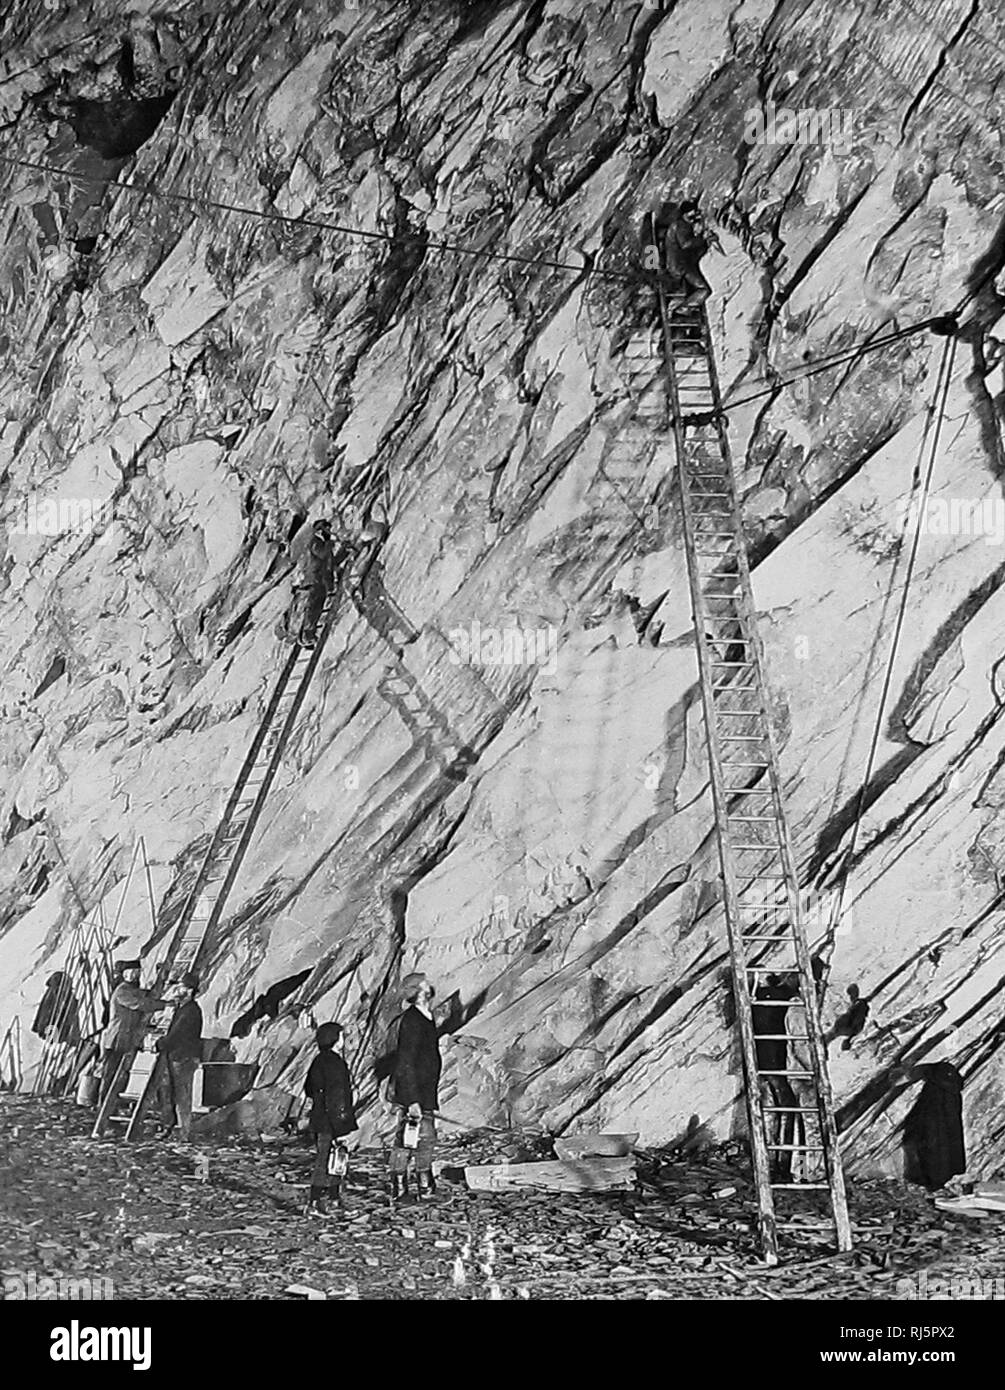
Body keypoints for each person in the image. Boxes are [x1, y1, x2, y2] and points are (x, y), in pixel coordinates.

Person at [387, 973, 442, 1201]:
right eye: (425, 983)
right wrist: (412, 1100)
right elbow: (405, 1061)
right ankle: (400, 1189)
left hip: (424, 1091)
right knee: (406, 1140)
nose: (430, 985)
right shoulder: (412, 1020)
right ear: (419, 992)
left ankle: (424, 1187)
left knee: (425, 1139)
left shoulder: (425, 1017)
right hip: (415, 1093)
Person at [303, 1022, 357, 1218]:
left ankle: (329, 1200)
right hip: (333, 1120)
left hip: (321, 1118)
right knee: (332, 1160)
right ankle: (318, 1203)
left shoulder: (318, 1060)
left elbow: (308, 1088)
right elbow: (337, 1096)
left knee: (329, 1159)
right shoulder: (335, 1062)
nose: (343, 1039)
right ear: (335, 1038)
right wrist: (340, 1126)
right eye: (341, 1035)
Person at [751, 971, 801, 1182]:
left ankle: (775, 1162)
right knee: (791, 1111)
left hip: (767, 1061)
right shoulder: (783, 996)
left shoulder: (759, 999)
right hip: (784, 1063)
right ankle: (791, 1167)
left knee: (774, 1108)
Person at [98, 961, 166, 1110]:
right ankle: (105, 1107)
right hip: (117, 1039)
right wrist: (164, 1004)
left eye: (137, 972)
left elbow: (145, 995)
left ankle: (114, 1105)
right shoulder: (122, 991)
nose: (134, 975)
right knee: (111, 1075)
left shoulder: (132, 989)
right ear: (124, 974)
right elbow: (140, 1004)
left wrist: (160, 979)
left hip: (127, 1039)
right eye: (131, 972)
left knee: (122, 1074)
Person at [153, 972, 203, 1142]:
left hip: (184, 1058)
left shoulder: (190, 1011)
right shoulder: (183, 1009)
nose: (176, 990)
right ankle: (172, 1128)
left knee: (182, 1096)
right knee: (170, 1093)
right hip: (177, 1056)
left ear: (189, 991)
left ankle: (184, 1133)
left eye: (180, 987)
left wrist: (159, 1043)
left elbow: (176, 1035)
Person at [281, 518, 336, 648]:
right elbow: (321, 554)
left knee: (316, 609)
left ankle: (308, 634)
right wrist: (330, 543)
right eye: (327, 529)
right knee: (310, 610)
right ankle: (305, 635)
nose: (329, 532)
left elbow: (331, 564)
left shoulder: (324, 545)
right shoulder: (315, 542)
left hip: (321, 583)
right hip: (313, 581)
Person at [656, 200, 721, 309]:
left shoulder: (682, 224)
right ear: (685, 214)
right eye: (693, 213)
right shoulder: (681, 226)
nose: (695, 215)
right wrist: (703, 238)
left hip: (682, 263)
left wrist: (705, 241)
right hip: (680, 266)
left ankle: (685, 306)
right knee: (704, 290)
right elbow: (686, 244)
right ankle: (684, 308)